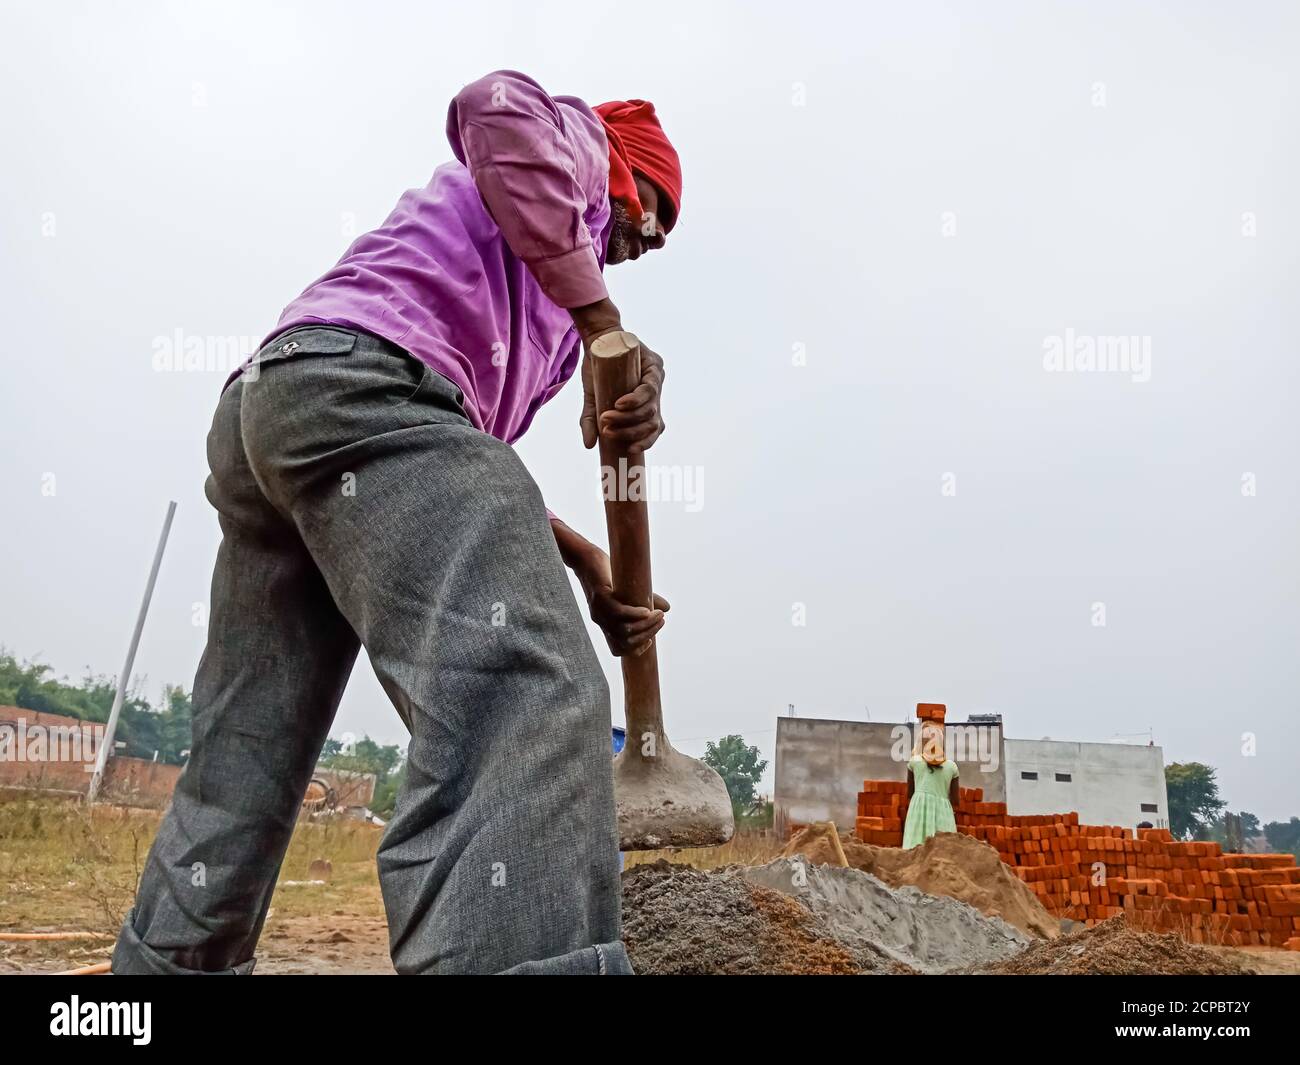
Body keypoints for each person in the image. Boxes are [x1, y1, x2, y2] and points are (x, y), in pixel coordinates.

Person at [111, 70, 682, 975]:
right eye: (655, 209)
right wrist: (603, 314)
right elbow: (491, 107)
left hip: (289, 409)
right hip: (361, 380)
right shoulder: (575, 145)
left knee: (248, 750)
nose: (651, 239)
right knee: (524, 692)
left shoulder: (551, 319)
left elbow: (447, 458)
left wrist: (585, 566)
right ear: (625, 169)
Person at [902, 721, 959, 848]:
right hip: (943, 812)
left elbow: (910, 793)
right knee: (944, 851)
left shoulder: (914, 762)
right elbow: (956, 800)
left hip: (919, 810)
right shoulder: (952, 767)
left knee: (914, 848)